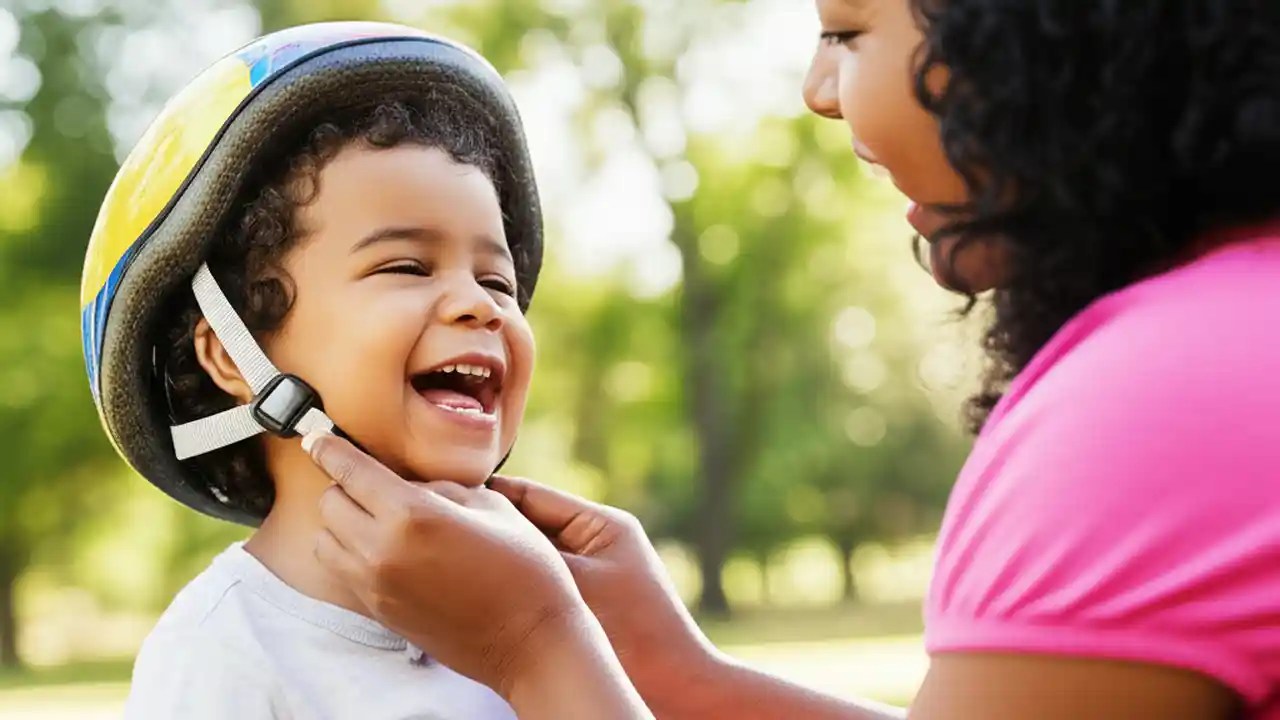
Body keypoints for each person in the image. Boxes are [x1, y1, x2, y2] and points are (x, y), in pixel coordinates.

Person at [304, 1, 1280, 719]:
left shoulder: (1150, 409)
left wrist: (536, 651)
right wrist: (683, 678)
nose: (817, 92)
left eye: (847, 33)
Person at [79, 21, 643, 719]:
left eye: (498, 282)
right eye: (406, 266)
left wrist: (550, 635)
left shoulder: (561, 616)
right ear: (232, 354)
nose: (480, 305)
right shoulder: (223, 653)